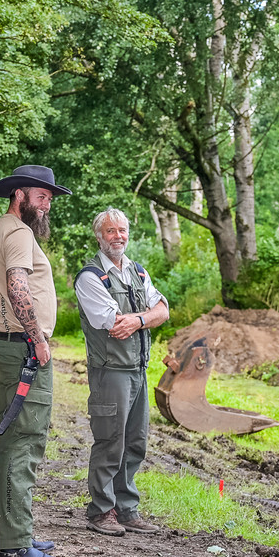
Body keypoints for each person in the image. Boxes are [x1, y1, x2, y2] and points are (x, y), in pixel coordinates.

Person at [0, 165, 72, 557]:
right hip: (24, 350)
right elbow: (17, 285)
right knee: (24, 441)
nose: (47, 203)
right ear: (19, 195)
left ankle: (12, 532)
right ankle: (17, 546)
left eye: (49, 197)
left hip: (8, 345)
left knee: (9, 439)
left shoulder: (0, 229)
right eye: (41, 196)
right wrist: (36, 338)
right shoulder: (19, 233)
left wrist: (2, 328)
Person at [74, 207, 169, 536]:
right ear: (99, 236)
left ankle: (127, 509)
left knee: (135, 442)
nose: (118, 236)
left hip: (138, 370)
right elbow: (114, 324)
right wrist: (144, 316)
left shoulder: (138, 272)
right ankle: (101, 511)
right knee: (110, 441)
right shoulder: (90, 277)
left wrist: (140, 319)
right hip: (110, 371)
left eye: (122, 230)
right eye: (111, 231)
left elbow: (163, 310)